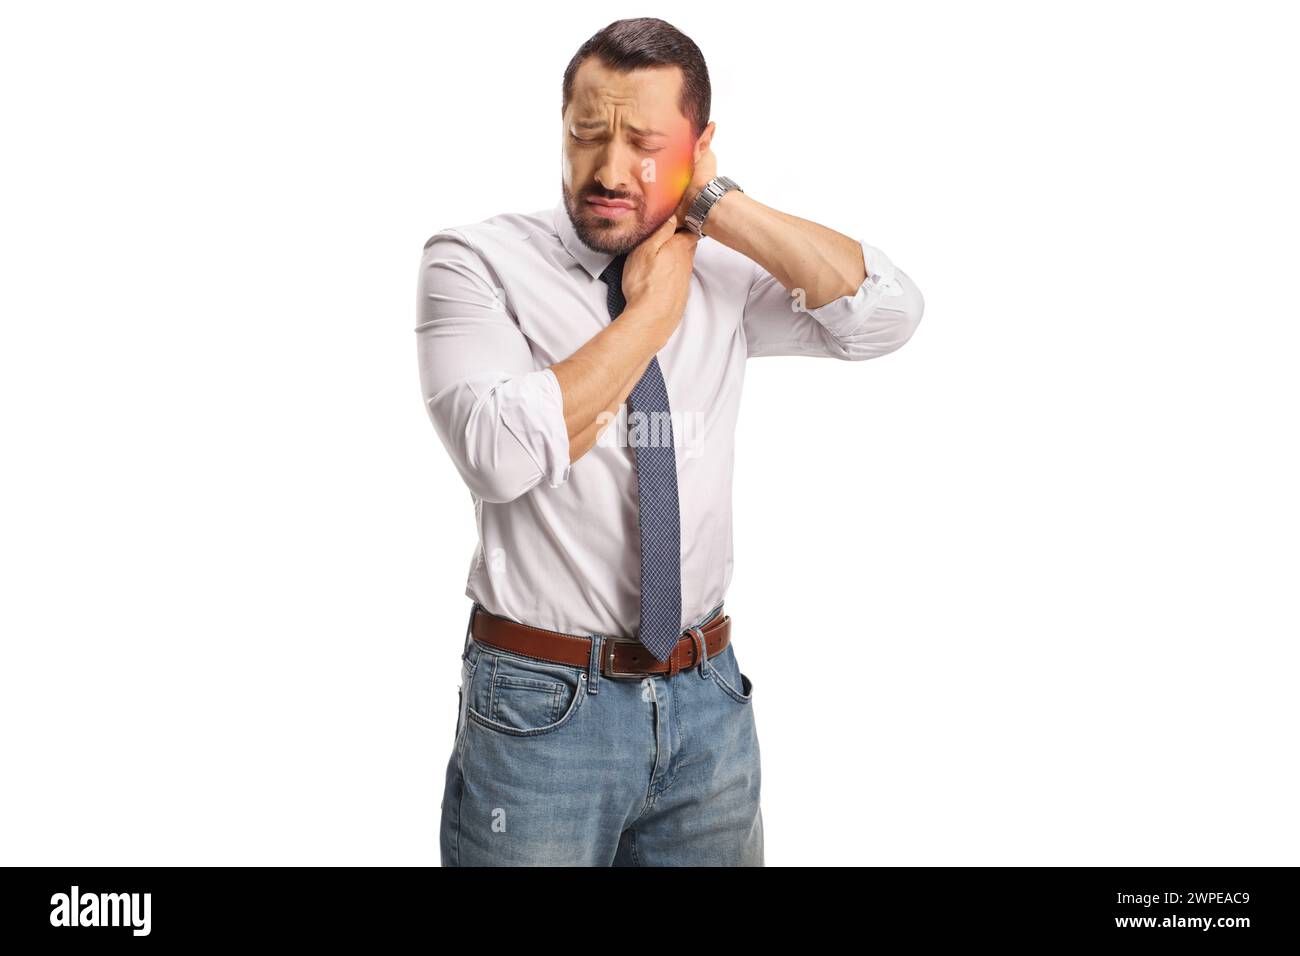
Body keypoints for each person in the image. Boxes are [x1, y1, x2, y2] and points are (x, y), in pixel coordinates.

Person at [415, 16, 923, 866]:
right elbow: (498, 456)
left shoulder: (721, 266)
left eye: (646, 144)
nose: (609, 170)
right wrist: (653, 314)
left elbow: (885, 316)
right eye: (586, 135)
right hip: (541, 709)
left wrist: (719, 209)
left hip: (708, 702)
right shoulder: (476, 262)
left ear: (700, 146)